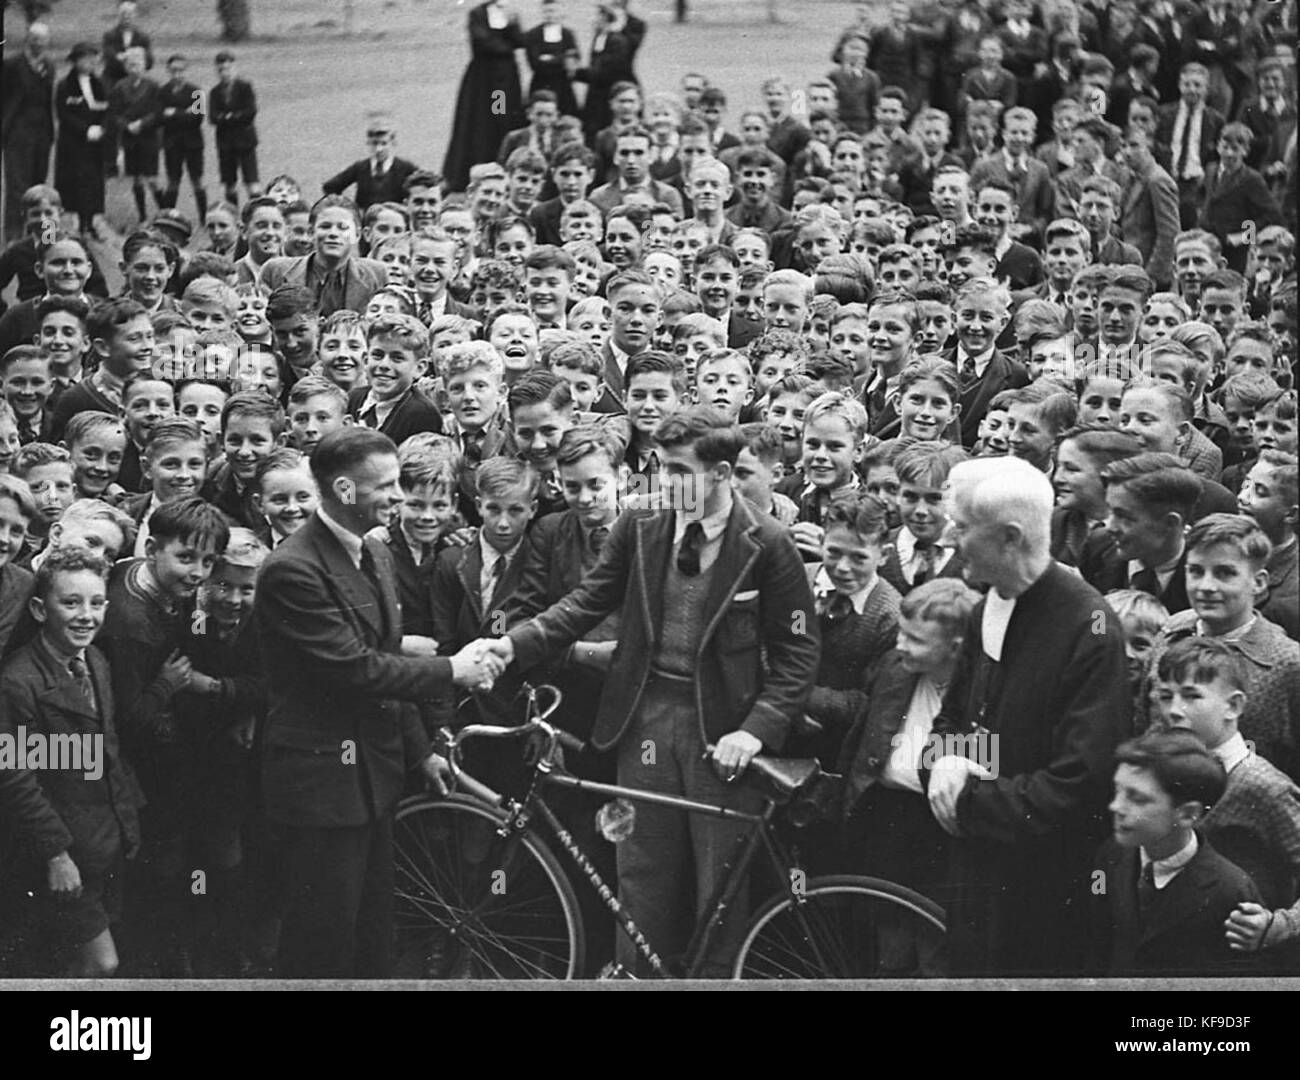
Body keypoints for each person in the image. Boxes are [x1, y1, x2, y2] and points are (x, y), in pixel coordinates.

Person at [484, 405, 819, 976]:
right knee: (640, 868)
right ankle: (636, 977)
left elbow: (798, 654)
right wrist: (513, 645)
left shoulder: (767, 542)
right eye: (661, 467)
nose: (666, 483)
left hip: (721, 729)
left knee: (720, 883)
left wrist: (754, 731)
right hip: (643, 720)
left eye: (681, 471)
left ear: (720, 473)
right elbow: (586, 602)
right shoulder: (640, 526)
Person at [253, 427, 501, 978]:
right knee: (322, 941)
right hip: (323, 786)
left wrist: (420, 754)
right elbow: (354, 669)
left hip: (374, 776)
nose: (397, 497)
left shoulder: (373, 552)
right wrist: (452, 671)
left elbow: (383, 658)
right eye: (385, 486)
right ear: (343, 490)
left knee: (370, 936)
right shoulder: (293, 569)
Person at [927, 455, 1130, 975]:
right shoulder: (987, 605)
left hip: (1044, 884)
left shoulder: (1089, 627)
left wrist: (970, 801)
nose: (951, 539)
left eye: (964, 527)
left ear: (1010, 537)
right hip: (978, 866)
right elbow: (958, 721)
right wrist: (947, 764)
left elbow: (1081, 778)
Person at [0, 545, 143, 976]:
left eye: (97, 603)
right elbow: (16, 777)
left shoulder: (95, 661)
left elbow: (108, 752)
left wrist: (128, 823)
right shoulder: (18, 682)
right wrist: (56, 854)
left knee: (71, 960)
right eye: (71, 602)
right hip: (62, 853)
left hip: (105, 842)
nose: (87, 615)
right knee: (102, 962)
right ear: (41, 610)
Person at [1091, 729, 1262, 976]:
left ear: (1187, 813)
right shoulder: (1108, 858)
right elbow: (1098, 933)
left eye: (1136, 798)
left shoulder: (1233, 891)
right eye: (1118, 790)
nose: (1116, 806)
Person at [443, 1, 525, 193]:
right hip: (483, 82)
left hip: (503, 84)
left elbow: (520, 41)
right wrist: (506, 44)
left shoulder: (510, 13)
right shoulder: (478, 14)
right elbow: (483, 42)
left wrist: (511, 25)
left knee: (501, 118)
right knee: (480, 123)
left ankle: (500, 164)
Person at [2, 22, 55, 244]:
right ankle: (13, 235)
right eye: (35, 38)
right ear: (28, 39)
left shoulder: (49, 66)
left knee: (38, 186)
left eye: (43, 39)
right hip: (17, 131)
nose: (39, 43)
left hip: (42, 131)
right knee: (17, 186)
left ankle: (41, 235)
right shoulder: (12, 64)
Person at [54, 44, 110, 240]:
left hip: (95, 144)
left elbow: (106, 109)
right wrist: (86, 129)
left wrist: (101, 128)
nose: (90, 63)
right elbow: (64, 114)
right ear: (75, 62)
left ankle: (89, 223)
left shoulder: (99, 84)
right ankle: (75, 225)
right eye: (85, 59)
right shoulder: (65, 85)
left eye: (92, 58)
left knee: (93, 183)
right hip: (74, 144)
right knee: (74, 183)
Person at [322, 116, 419, 211]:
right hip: (367, 221)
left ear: (393, 143)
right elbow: (330, 187)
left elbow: (426, 186)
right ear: (368, 143)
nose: (378, 149)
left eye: (384, 143)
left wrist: (407, 208)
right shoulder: (360, 167)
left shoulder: (406, 167)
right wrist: (347, 209)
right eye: (374, 143)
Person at [208, 51, 260, 206]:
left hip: (245, 142)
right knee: (229, 184)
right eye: (221, 70)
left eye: (228, 69)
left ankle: (256, 214)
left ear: (235, 68)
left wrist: (228, 117)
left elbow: (250, 112)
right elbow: (213, 117)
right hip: (225, 144)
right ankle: (234, 216)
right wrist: (234, 117)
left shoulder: (245, 87)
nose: (225, 73)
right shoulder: (214, 92)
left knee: (252, 182)